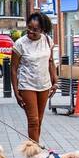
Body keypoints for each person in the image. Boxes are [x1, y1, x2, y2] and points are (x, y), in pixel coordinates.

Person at [12, 12, 57, 142]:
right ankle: (35, 155)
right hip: (27, 85)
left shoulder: (48, 41)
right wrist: (16, 92)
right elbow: (13, 69)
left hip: (44, 84)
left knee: (39, 121)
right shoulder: (20, 43)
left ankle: (32, 151)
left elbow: (50, 61)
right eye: (29, 28)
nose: (31, 32)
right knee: (33, 121)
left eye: (35, 30)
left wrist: (55, 80)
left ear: (42, 29)